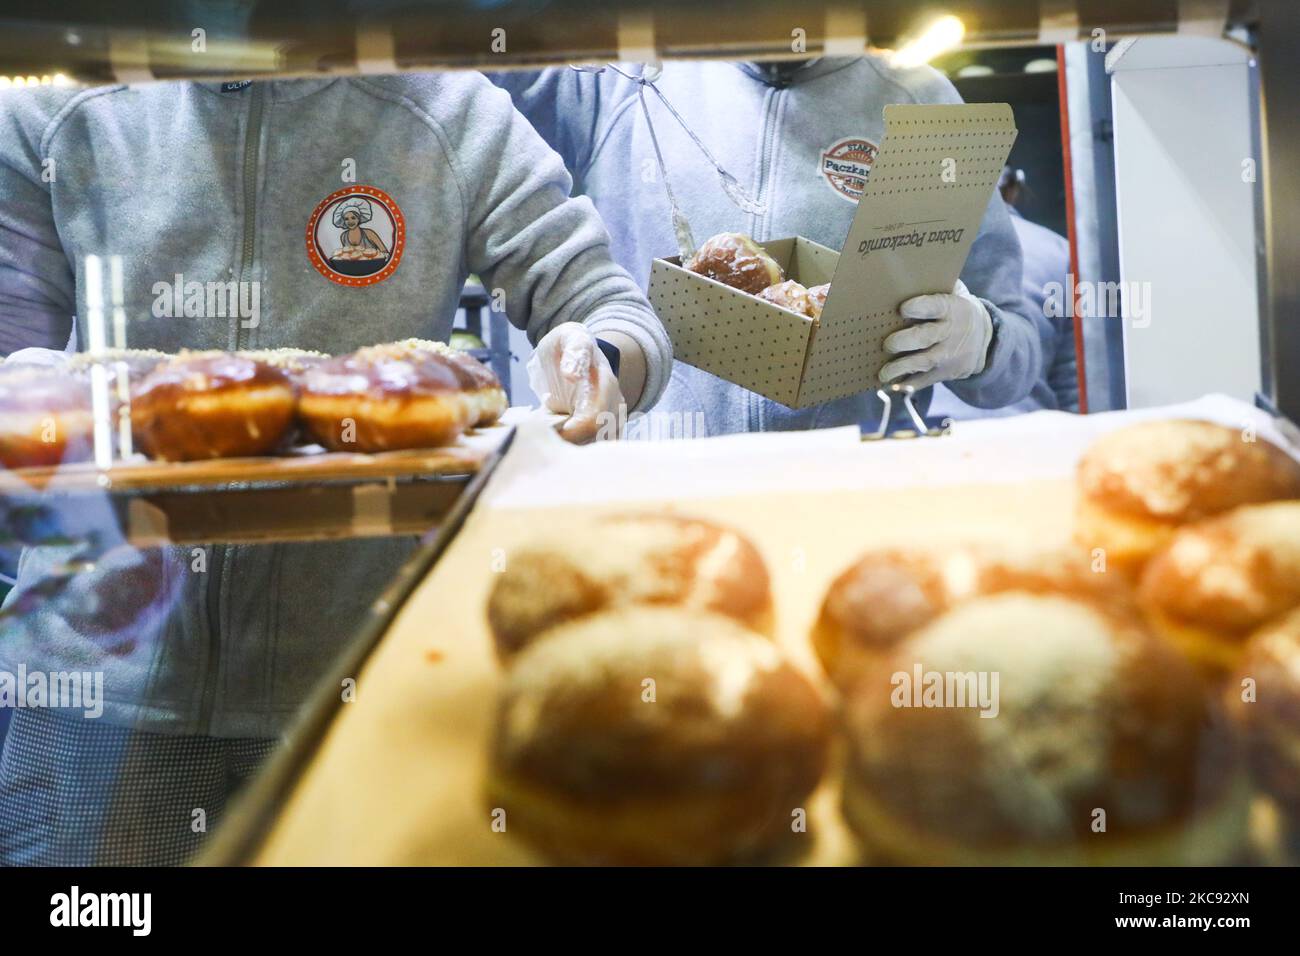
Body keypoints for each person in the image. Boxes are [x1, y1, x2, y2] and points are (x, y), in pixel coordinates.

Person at [0, 72, 671, 865]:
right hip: (96, 688)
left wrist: (595, 358)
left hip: (355, 676)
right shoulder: (55, 97)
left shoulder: (449, 107)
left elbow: (610, 311)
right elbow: (14, 343)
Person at [493, 57, 1046, 435]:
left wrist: (982, 339)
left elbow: (1021, 357)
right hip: (658, 487)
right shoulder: (617, 80)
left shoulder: (921, 103)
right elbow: (456, 57)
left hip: (850, 491)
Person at [932, 167, 1078, 419]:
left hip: (917, 434)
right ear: (1013, 191)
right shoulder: (1059, 250)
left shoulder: (922, 236)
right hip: (1026, 433)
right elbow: (1072, 384)